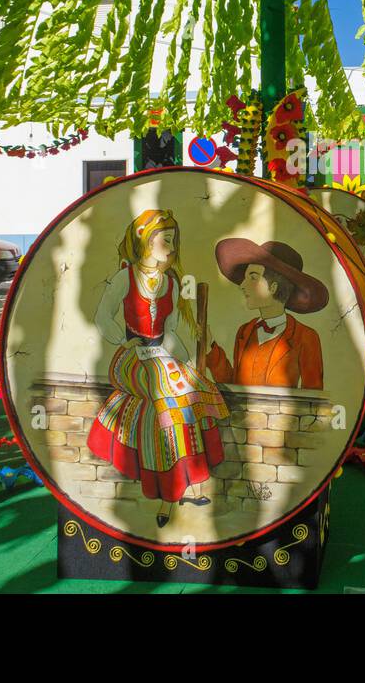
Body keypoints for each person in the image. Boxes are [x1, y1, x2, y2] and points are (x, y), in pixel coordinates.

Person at [85, 210, 229, 530]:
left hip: (161, 357)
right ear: (147, 242)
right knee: (164, 400)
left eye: (174, 241)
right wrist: (126, 341)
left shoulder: (170, 283)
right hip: (132, 357)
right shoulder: (125, 277)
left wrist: (188, 365)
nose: (171, 247)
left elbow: (173, 329)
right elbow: (101, 318)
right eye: (166, 240)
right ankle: (165, 488)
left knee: (190, 396)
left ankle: (175, 490)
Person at [206, 239, 328, 389]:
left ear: (273, 287)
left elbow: (313, 398)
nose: (242, 285)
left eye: (252, 277)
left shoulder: (306, 337)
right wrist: (210, 347)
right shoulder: (245, 331)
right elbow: (234, 386)